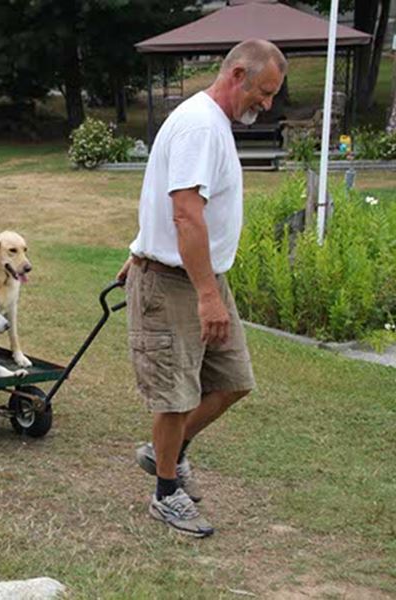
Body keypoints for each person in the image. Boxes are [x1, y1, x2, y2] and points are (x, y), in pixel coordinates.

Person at [115, 40, 287, 538]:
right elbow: (185, 212)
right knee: (174, 395)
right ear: (237, 74)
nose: (267, 104)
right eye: (263, 92)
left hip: (203, 278)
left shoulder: (210, 124)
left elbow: (170, 201)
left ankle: (163, 453)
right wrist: (205, 294)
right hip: (176, 284)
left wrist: (145, 247)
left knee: (233, 380)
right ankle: (166, 493)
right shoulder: (198, 125)